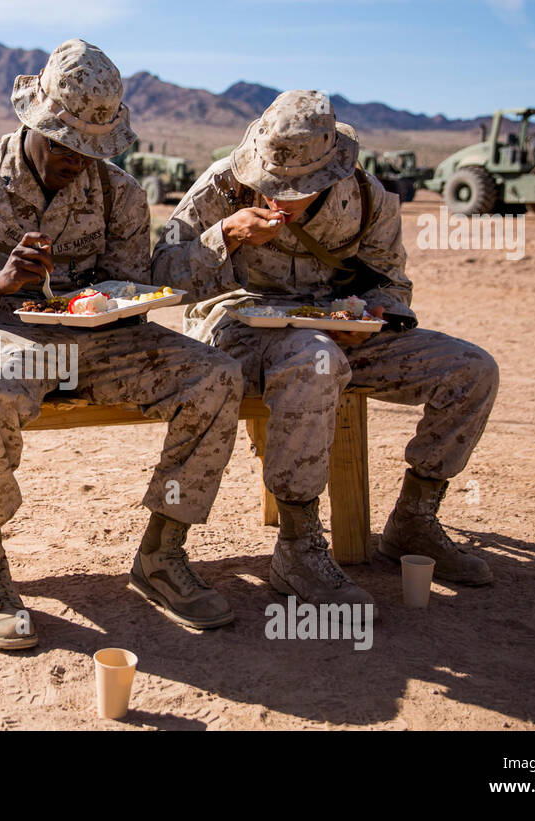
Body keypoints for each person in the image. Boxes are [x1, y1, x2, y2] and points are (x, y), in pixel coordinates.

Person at [0, 39, 247, 650]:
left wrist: (121, 302)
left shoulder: (120, 194)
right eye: (63, 142)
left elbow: (130, 284)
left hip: (99, 342)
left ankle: (162, 554)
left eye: (91, 148)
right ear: (31, 120)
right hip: (0, 331)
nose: (77, 159)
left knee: (215, 376)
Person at [151, 90, 500, 606]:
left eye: (295, 189)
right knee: (315, 362)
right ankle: (298, 546)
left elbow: (393, 285)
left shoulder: (365, 198)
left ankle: (415, 520)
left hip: (341, 330)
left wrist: (376, 312)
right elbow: (160, 277)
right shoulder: (224, 186)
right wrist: (224, 235)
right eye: (272, 184)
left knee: (472, 369)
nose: (278, 197)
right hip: (239, 330)